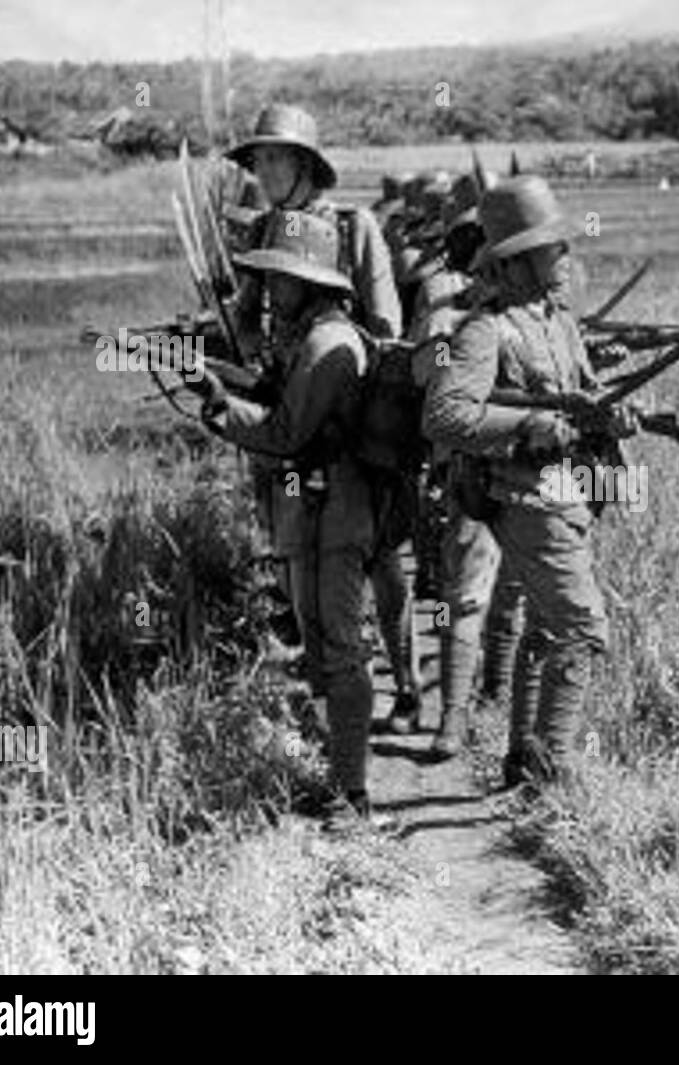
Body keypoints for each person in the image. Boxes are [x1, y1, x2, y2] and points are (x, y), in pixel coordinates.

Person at [422, 175, 636, 786]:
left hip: (569, 497)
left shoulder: (559, 322)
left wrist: (612, 414)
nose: (566, 256)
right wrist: (529, 425)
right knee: (580, 627)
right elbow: (444, 415)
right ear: (517, 257)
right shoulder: (483, 330)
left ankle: (522, 760)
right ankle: (556, 767)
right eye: (554, 247)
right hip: (523, 499)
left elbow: (584, 397)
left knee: (545, 628)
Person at [225, 103, 423, 735]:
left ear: (306, 164)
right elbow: (249, 315)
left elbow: (388, 328)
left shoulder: (353, 225)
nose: (262, 170)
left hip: (358, 414)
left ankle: (408, 682)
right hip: (288, 416)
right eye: (256, 161)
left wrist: (345, 366)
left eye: (274, 157)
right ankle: (325, 689)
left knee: (384, 561)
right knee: (293, 549)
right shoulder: (261, 233)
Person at [196, 212, 382, 827]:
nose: (269, 292)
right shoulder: (306, 335)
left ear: (313, 282)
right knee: (318, 641)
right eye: (267, 279)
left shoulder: (330, 345)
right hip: (310, 505)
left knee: (343, 647)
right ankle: (338, 775)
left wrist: (223, 411)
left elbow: (285, 432)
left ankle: (353, 794)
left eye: (280, 279)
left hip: (341, 509)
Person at [409, 172, 525, 760]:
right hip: (470, 477)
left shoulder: (529, 321)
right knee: (469, 596)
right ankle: (453, 716)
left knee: (511, 595)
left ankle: (492, 699)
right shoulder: (447, 318)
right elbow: (425, 384)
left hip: (526, 473)